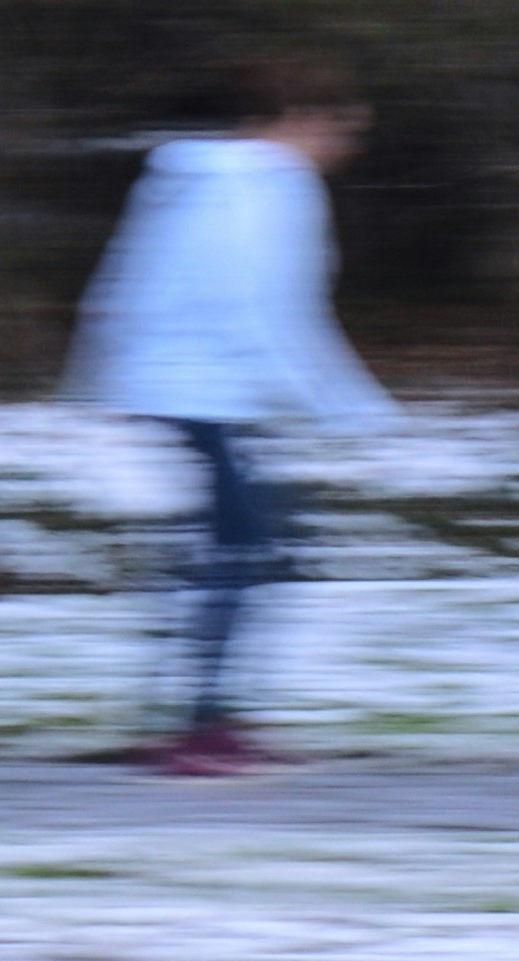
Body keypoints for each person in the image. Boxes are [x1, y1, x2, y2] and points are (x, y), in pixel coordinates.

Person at [64, 60, 397, 776]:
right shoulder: (260, 187)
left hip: (194, 390)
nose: (347, 147)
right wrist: (348, 409)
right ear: (293, 119)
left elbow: (122, 287)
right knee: (246, 549)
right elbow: (262, 312)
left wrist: (105, 376)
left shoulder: (201, 179)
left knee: (243, 548)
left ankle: (204, 717)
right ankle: (201, 727)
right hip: (200, 392)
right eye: (342, 128)